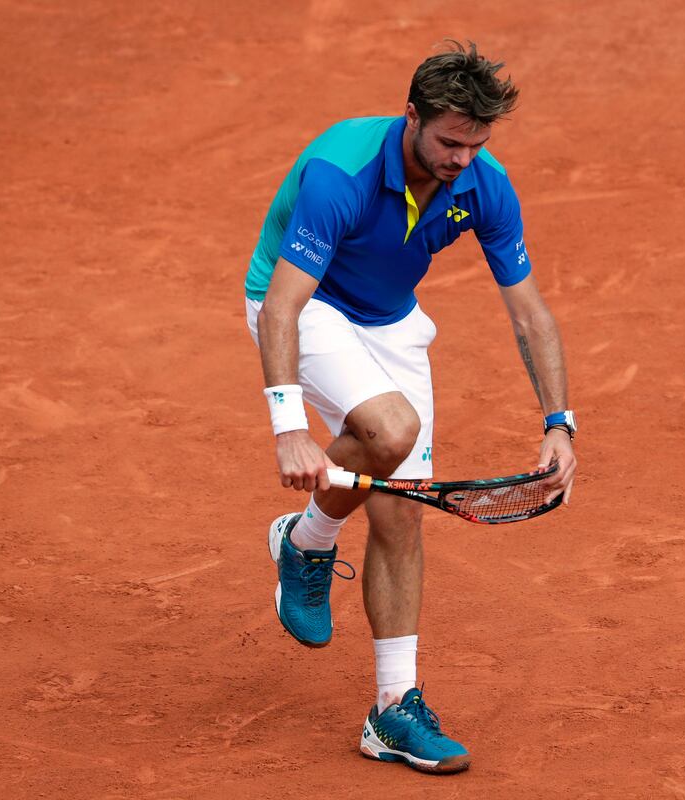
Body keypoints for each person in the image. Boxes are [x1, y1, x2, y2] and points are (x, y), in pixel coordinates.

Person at [244, 40, 577, 774]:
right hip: (304, 303)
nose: (463, 159)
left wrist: (559, 422)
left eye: (476, 145)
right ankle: (309, 543)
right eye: (449, 142)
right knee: (392, 430)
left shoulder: (484, 185)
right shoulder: (342, 172)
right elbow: (284, 308)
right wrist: (289, 428)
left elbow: (529, 313)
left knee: (400, 505)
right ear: (411, 118)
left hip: (389, 319)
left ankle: (392, 709)